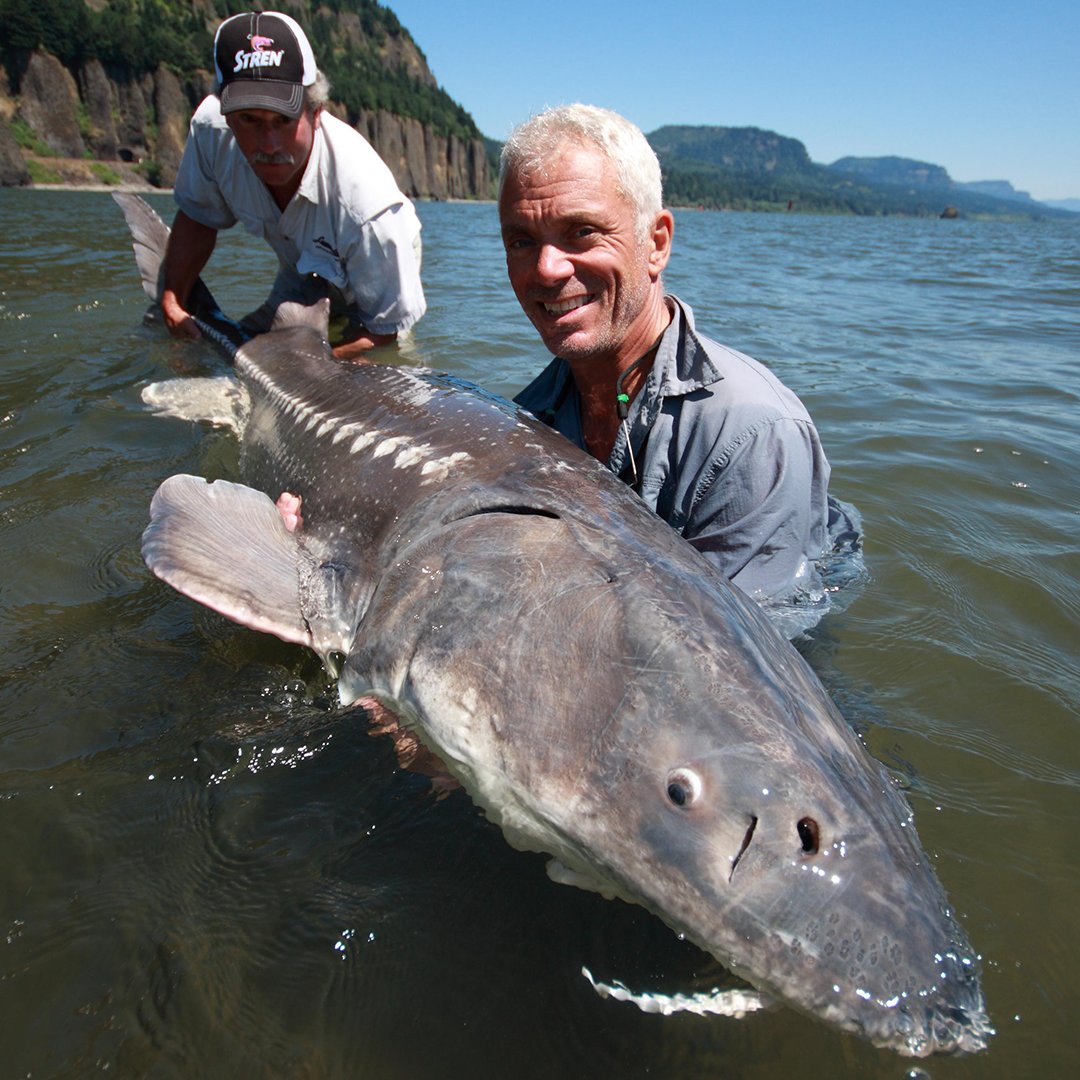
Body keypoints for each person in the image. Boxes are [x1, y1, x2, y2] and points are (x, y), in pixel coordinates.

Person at [499, 104, 859, 634]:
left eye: (582, 232)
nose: (546, 269)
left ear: (656, 243)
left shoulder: (753, 434)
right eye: (522, 240)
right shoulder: (527, 420)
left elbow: (737, 668)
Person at [161, 10, 426, 359]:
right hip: (301, 266)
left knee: (383, 376)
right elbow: (198, 218)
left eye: (284, 120)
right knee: (227, 355)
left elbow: (385, 334)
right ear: (226, 116)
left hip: (376, 275)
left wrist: (305, 367)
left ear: (316, 113)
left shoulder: (368, 206)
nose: (269, 144)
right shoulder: (211, 134)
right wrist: (172, 299)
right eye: (249, 120)